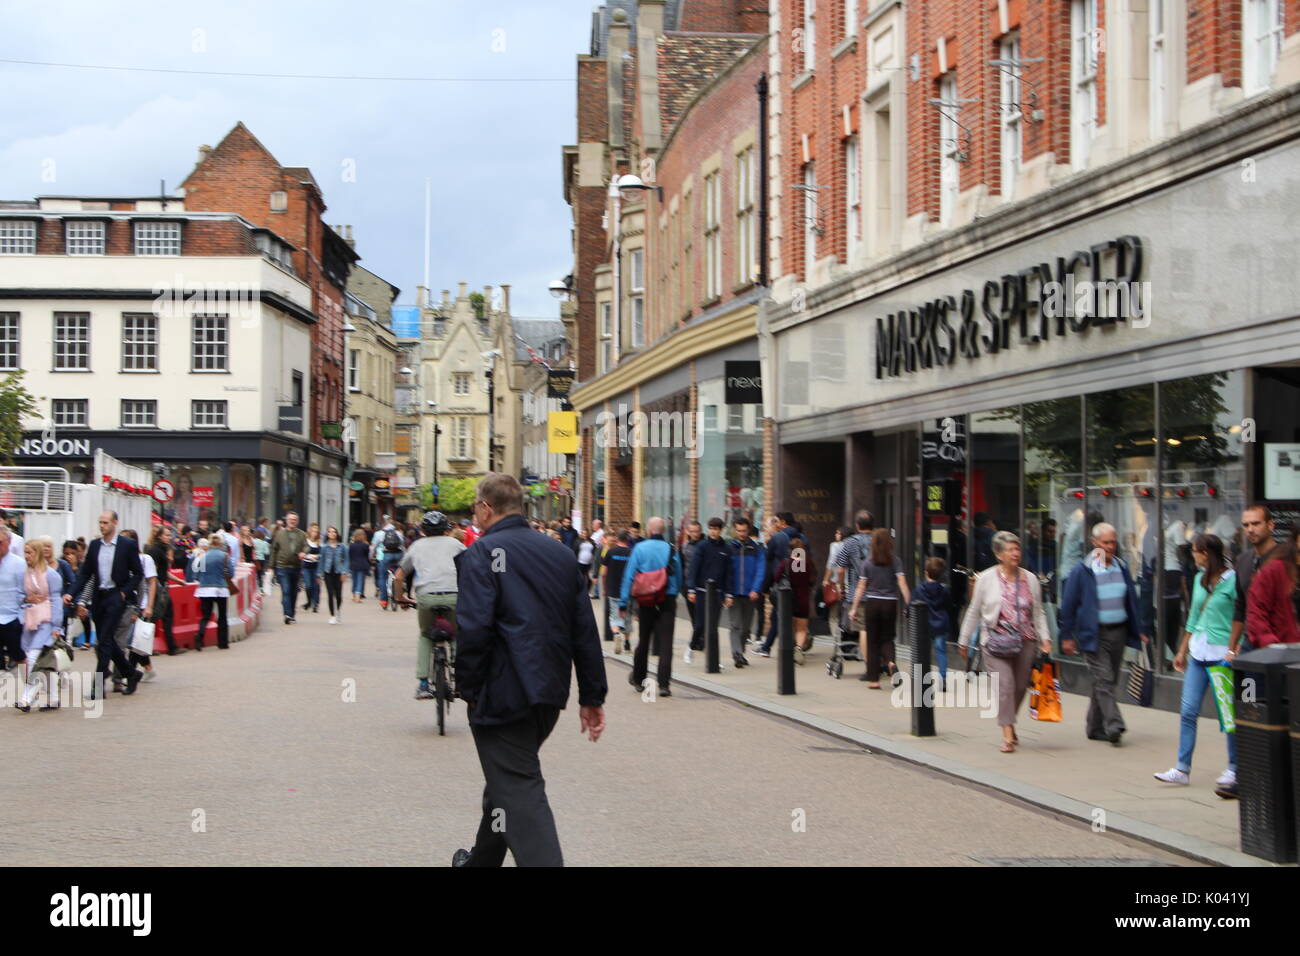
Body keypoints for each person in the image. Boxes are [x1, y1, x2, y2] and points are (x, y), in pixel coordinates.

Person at [451, 474, 607, 867]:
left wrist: (467, 689)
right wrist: (592, 696)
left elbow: (474, 628)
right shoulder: (560, 554)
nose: (475, 514)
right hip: (547, 694)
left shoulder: (482, 553)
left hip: (502, 693)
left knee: (519, 787)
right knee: (506, 779)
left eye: (475, 507)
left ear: (486, 508)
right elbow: (584, 630)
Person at [1153, 534, 1239, 792]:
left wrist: (1235, 650)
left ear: (1206, 553)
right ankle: (1182, 768)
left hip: (1222, 654)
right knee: (1188, 710)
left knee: (1228, 713)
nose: (1193, 555)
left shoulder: (1232, 580)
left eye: (1195, 551)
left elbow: (1240, 617)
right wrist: (1181, 650)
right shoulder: (1198, 579)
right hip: (1198, 654)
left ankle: (1234, 767)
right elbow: (1193, 616)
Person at [958, 531, 1051, 752]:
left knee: (1020, 687)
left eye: (1017, 549)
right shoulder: (986, 579)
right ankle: (1007, 733)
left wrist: (1045, 639)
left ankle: (1009, 720)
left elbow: (1038, 613)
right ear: (999, 554)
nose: (1015, 553)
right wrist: (963, 641)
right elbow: (974, 611)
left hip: (1025, 640)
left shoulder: (1030, 579)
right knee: (1005, 685)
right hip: (995, 641)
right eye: (1010, 550)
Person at [1058, 522, 1149, 746]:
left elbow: (1131, 602)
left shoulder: (1121, 566)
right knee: (1105, 680)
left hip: (1118, 632)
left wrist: (1140, 630)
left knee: (1106, 681)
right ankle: (1114, 724)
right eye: (1106, 542)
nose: (1110, 547)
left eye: (1113, 542)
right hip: (1093, 634)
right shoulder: (1082, 570)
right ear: (1094, 543)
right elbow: (1068, 605)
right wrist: (1066, 636)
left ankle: (1093, 727)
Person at [68, 511, 146, 699]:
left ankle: (98, 686)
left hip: (116, 596)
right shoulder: (95, 546)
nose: (102, 526)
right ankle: (131, 673)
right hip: (99, 597)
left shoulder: (127, 545)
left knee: (103, 640)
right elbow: (86, 574)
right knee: (107, 640)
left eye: (105, 522)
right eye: (100, 522)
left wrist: (124, 592)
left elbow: (137, 573)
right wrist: (71, 593)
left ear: (115, 523)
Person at [393, 511, 465, 700]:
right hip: (453, 596)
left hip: (426, 597)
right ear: (447, 530)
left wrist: (401, 598)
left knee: (425, 635)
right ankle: (460, 680)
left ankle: (424, 684)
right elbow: (470, 569)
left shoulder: (416, 546)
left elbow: (399, 576)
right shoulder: (456, 544)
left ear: (423, 530)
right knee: (457, 634)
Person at [620, 516, 683, 697]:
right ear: (662, 531)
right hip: (667, 599)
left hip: (646, 599)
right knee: (666, 643)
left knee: (644, 640)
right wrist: (674, 592)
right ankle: (664, 684)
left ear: (649, 530)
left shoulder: (639, 548)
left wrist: (624, 602)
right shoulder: (671, 549)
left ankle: (640, 680)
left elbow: (629, 576)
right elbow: (678, 576)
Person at [847, 528, 910, 686]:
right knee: (888, 638)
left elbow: (861, 587)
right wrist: (909, 603)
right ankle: (891, 663)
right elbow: (902, 583)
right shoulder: (896, 561)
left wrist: (854, 607)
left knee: (873, 640)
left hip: (872, 603)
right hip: (890, 603)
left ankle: (874, 680)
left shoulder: (868, 562)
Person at [16, 537, 63, 712]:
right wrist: (27, 599)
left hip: (47, 621)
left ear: (37, 553)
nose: (26, 556)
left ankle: (26, 698)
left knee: (33, 659)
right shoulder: (25, 574)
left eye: (29, 552)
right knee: (46, 662)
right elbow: (19, 596)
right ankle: (53, 698)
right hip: (30, 621)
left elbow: (56, 601)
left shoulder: (51, 575)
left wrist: (57, 626)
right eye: (25, 552)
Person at [686, 517, 732, 666]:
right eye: (711, 528)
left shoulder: (726, 548)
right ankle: (691, 648)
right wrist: (691, 589)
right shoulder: (702, 547)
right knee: (700, 624)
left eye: (716, 529)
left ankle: (713, 658)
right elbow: (694, 568)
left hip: (717, 592)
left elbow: (728, 573)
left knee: (712, 627)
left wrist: (728, 594)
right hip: (701, 590)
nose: (713, 531)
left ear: (720, 530)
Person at [1245, 522, 1299, 648]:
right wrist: (1270, 643)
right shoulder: (1275, 570)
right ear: (1296, 539)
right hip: (1284, 652)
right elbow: (1256, 610)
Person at [832, 511, 875, 663]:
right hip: (881, 593)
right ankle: (885, 663)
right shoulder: (880, 540)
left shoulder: (849, 542)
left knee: (864, 629)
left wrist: (841, 587)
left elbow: (840, 568)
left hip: (859, 594)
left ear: (857, 526)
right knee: (879, 631)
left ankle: (870, 667)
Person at [725, 518, 765, 669]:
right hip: (733, 594)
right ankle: (736, 653)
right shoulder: (730, 548)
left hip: (750, 594)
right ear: (735, 530)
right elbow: (726, 573)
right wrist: (727, 593)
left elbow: (761, 570)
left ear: (748, 531)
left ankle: (740, 652)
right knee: (735, 625)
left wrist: (755, 589)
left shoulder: (756, 549)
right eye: (739, 531)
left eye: (744, 531)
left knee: (746, 627)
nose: (741, 534)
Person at [757, 512, 796, 657]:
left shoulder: (777, 539)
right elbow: (800, 566)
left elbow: (769, 565)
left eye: (769, 525)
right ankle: (768, 646)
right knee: (780, 617)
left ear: (780, 523)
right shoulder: (800, 537)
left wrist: (765, 587)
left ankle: (784, 649)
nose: (767, 529)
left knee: (780, 617)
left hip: (780, 584)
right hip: (796, 584)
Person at [779, 529, 817, 665]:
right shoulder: (808, 563)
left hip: (788, 599)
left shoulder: (786, 563)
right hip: (803, 599)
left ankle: (789, 650)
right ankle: (799, 649)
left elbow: (777, 577)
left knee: (790, 626)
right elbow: (813, 580)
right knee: (801, 628)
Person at [194, 533, 236, 651]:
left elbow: (196, 574)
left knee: (206, 616)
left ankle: (199, 636)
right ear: (220, 544)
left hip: (205, 589)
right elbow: (231, 573)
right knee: (222, 616)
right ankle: (223, 643)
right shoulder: (225, 556)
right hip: (221, 588)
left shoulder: (202, 556)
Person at [916, 556, 953, 685]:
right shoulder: (944, 590)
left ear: (926, 572)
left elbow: (913, 605)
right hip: (941, 624)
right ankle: (942, 677)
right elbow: (949, 606)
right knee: (941, 651)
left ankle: (925, 678)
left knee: (924, 653)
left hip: (925, 624)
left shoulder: (920, 589)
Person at [145, 525, 181, 655]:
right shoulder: (155, 551)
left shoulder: (161, 549)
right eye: (166, 535)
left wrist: (179, 581)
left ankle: (170, 646)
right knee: (154, 617)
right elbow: (152, 572)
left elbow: (163, 571)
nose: (169, 537)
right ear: (159, 536)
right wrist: (154, 587)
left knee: (163, 616)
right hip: (158, 589)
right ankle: (150, 647)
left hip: (161, 588)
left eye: (169, 535)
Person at [270, 512, 307, 625]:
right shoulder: (280, 534)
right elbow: (274, 550)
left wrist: (303, 552)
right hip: (282, 567)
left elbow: (306, 546)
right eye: (290, 519)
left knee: (293, 592)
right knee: (286, 590)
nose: (292, 521)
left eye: (295, 519)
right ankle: (287, 614)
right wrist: (271, 566)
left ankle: (291, 614)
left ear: (297, 521)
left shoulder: (301, 534)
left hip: (296, 567)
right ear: (286, 520)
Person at [601, 531, 633, 654]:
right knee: (627, 617)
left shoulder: (611, 552)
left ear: (617, 539)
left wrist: (604, 588)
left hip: (613, 589)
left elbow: (604, 573)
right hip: (627, 590)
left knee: (614, 615)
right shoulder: (631, 553)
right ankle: (627, 644)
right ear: (628, 539)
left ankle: (616, 632)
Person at [0, 526, 26, 671]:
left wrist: (21, 619)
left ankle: (30, 688)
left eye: (0, 542)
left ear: (9, 542)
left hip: (11, 619)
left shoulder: (19, 564)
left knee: (19, 656)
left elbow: (25, 593)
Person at [371, 516, 404, 608]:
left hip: (383, 557)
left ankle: (384, 600)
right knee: (399, 576)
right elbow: (402, 546)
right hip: (398, 556)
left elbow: (373, 547)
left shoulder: (378, 534)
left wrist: (370, 557)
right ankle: (399, 597)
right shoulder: (398, 533)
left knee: (383, 578)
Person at [319, 526, 347, 625]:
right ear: (327, 534)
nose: (332, 533)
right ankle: (332, 615)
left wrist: (344, 572)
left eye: (334, 532)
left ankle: (338, 611)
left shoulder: (342, 547)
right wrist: (319, 574)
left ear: (336, 534)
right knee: (330, 594)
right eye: (330, 532)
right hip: (328, 573)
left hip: (338, 572)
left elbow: (346, 560)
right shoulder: (324, 547)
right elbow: (321, 561)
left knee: (339, 595)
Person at [301, 522, 323, 614]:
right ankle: (309, 601)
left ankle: (315, 605)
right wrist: (309, 557)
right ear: (309, 531)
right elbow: (302, 553)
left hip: (316, 567)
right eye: (313, 531)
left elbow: (323, 554)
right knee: (308, 586)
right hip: (306, 566)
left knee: (316, 586)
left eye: (316, 531)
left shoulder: (319, 542)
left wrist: (318, 557)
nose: (315, 533)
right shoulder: (305, 541)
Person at [348, 528, 371, 601]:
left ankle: (354, 595)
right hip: (362, 564)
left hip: (353, 564)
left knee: (354, 580)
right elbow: (367, 555)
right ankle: (358, 596)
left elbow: (350, 555)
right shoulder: (365, 545)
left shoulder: (351, 545)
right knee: (360, 580)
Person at [576, 530, 595, 597]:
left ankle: (587, 591)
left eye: (586, 533)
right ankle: (579, 591)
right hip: (580, 562)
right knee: (580, 577)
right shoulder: (578, 541)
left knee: (589, 578)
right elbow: (575, 550)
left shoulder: (592, 541)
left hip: (589, 563)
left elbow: (594, 551)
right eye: (583, 533)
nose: (584, 535)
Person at [252, 529, 271, 594]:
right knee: (260, 575)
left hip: (255, 559)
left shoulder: (253, 541)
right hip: (262, 560)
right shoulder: (265, 543)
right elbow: (267, 552)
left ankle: (253, 588)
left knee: (254, 574)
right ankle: (261, 589)